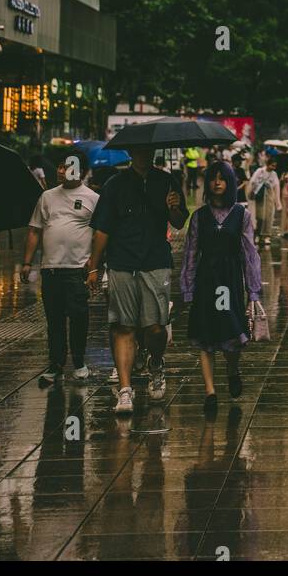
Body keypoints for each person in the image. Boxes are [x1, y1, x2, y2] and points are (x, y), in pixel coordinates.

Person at [87, 146, 188, 414]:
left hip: (155, 262)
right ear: (132, 153)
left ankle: (156, 361)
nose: (144, 156)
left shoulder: (166, 181)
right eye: (139, 152)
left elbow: (178, 223)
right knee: (123, 326)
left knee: (155, 327)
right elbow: (102, 228)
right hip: (122, 262)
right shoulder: (115, 185)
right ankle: (125, 390)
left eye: (148, 151)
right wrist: (94, 266)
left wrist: (173, 208)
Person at [180, 156, 262, 416]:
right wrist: (188, 286)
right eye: (212, 178)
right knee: (206, 337)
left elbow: (250, 253)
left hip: (229, 279)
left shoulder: (242, 215)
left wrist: (253, 290)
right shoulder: (199, 217)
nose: (217, 183)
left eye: (222, 178)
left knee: (230, 333)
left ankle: (232, 369)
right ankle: (210, 392)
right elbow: (191, 253)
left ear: (230, 182)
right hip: (206, 279)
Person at [21, 148, 97, 384]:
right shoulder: (47, 197)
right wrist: (27, 262)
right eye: (61, 166)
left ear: (82, 172)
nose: (62, 171)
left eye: (68, 166)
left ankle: (79, 361)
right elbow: (35, 229)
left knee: (78, 316)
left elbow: (102, 234)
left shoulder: (93, 198)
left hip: (77, 270)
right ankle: (55, 364)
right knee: (54, 318)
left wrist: (94, 263)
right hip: (51, 268)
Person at [249, 157, 281, 246]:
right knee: (260, 217)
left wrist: (277, 202)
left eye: (275, 166)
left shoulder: (274, 174)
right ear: (268, 164)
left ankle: (266, 236)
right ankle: (257, 235)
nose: (273, 167)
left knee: (268, 217)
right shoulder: (260, 171)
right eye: (272, 165)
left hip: (269, 197)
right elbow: (253, 181)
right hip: (260, 197)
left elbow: (277, 187)